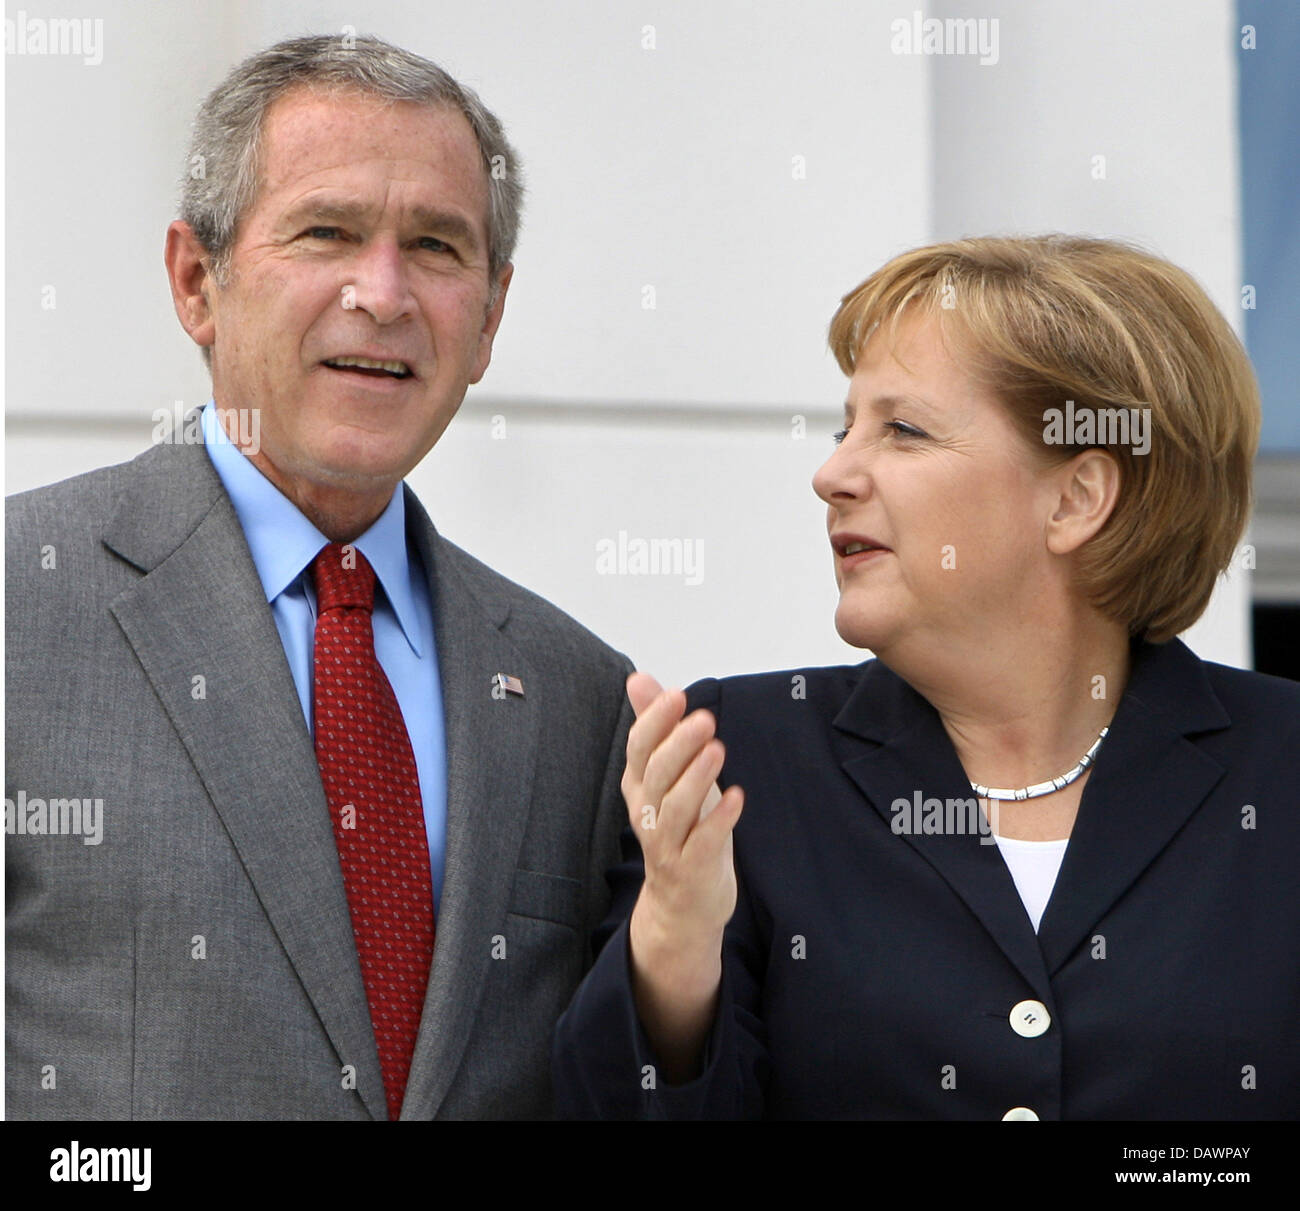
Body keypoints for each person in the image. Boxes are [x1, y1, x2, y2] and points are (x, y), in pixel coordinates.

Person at [5, 34, 633, 1121]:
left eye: (437, 247)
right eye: (327, 231)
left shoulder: (576, 690)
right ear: (198, 281)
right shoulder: (23, 602)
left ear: (488, 318)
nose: (382, 293)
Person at [553, 234, 1300, 1120]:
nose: (831, 474)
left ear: (1076, 499)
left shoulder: (1281, 765)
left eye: (902, 430)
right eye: (845, 428)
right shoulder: (735, 760)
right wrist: (675, 941)